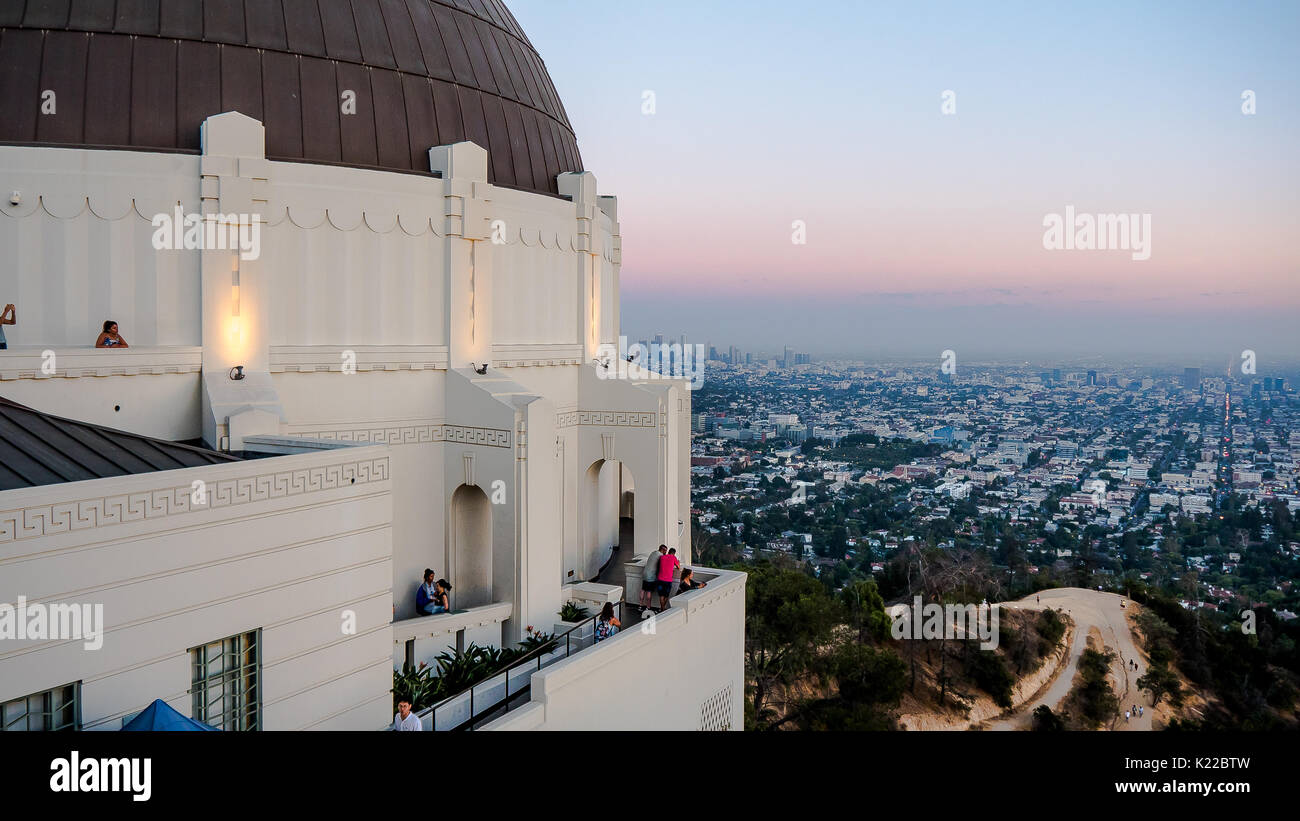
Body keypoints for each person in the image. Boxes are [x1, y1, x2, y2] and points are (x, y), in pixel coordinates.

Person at [640, 545, 665, 611]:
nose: (666, 552)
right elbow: (661, 566)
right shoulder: (661, 556)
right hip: (651, 575)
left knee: (643, 590)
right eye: (665, 550)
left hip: (645, 573)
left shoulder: (653, 552)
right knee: (648, 591)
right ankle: (648, 607)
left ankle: (640, 606)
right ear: (663, 550)